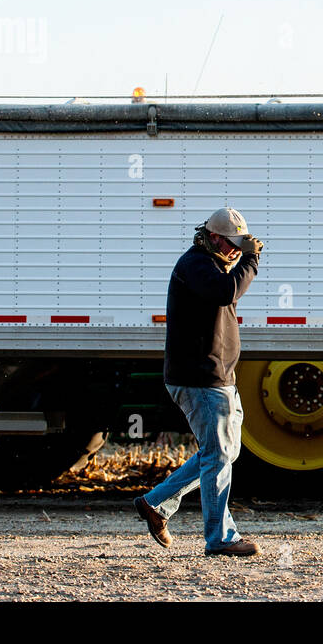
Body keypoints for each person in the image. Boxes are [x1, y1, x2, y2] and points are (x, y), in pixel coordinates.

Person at [133, 207, 263, 556]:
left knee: (222, 452)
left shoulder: (210, 264)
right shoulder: (197, 265)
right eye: (233, 244)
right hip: (201, 379)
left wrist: (242, 260)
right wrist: (251, 261)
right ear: (215, 237)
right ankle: (220, 538)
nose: (237, 250)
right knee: (218, 455)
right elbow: (226, 292)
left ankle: (156, 504)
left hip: (217, 378)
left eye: (241, 245)